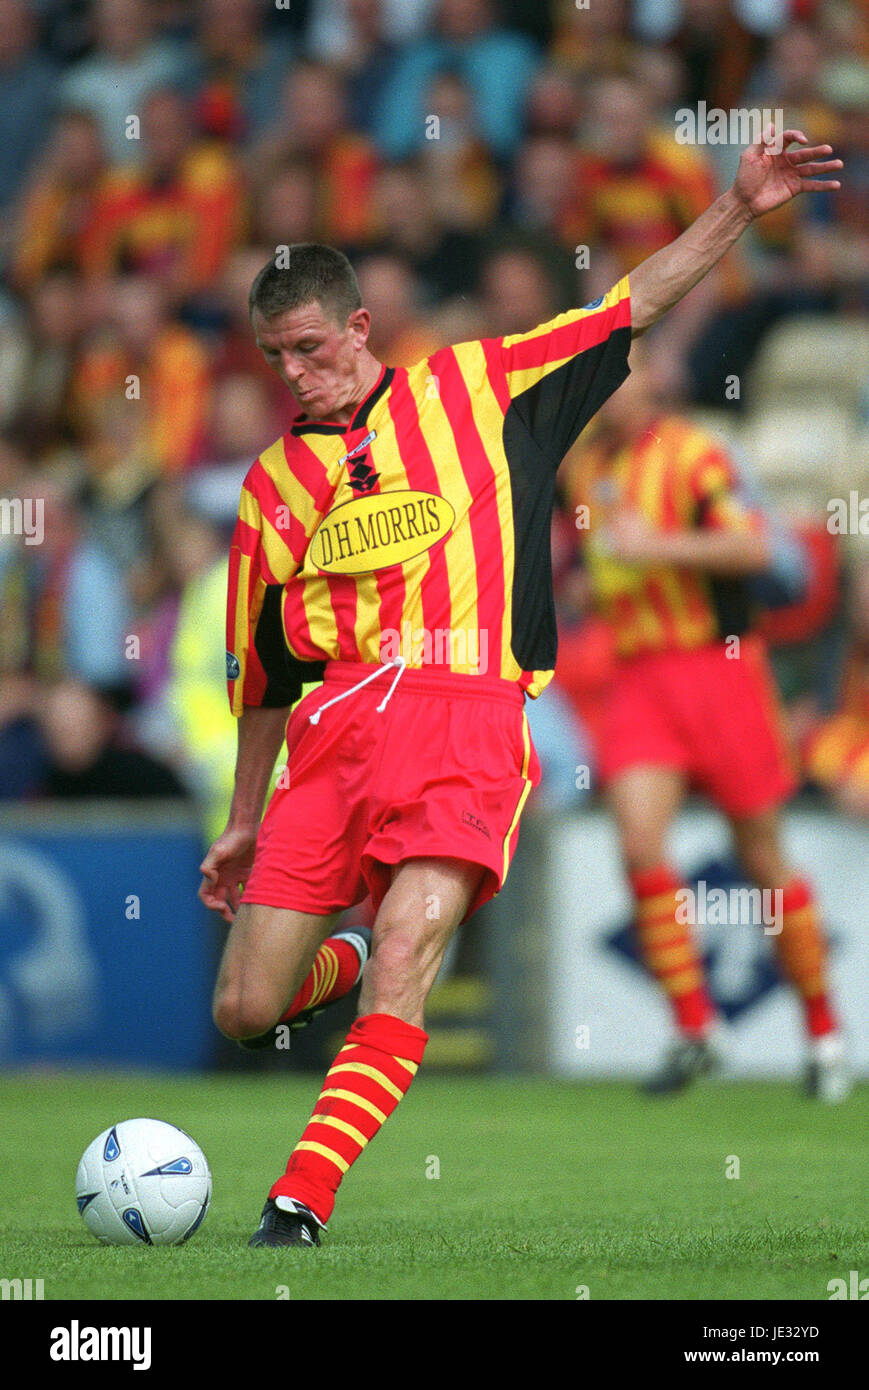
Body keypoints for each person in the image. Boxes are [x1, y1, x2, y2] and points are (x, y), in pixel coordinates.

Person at [198, 127, 842, 1247]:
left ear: (360, 327)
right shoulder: (271, 488)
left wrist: (736, 208)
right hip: (334, 732)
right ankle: (341, 957)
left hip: (467, 718)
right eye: (274, 361)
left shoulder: (480, 386)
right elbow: (261, 675)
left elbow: (629, 304)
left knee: (411, 949)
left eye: (309, 348)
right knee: (248, 1008)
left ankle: (298, 1199)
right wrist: (243, 818)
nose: (295, 376)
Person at [561, 343, 849, 1101]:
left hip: (716, 669)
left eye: (618, 376)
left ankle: (823, 1035)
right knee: (637, 843)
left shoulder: (694, 454)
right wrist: (594, 590)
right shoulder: (583, 470)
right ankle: (696, 1027)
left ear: (652, 378)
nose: (605, 394)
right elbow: (594, 564)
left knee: (759, 856)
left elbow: (756, 545)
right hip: (637, 675)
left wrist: (660, 547)